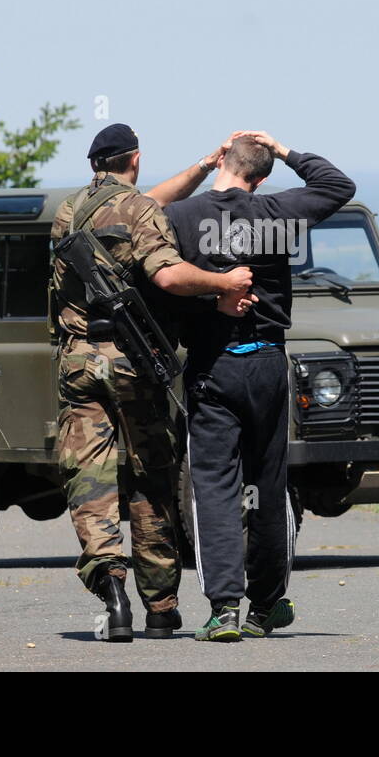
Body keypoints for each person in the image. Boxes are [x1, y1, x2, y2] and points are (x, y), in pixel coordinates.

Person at [50, 123, 254, 642]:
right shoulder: (141, 212)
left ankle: (112, 591)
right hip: (130, 362)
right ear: (135, 161)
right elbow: (167, 275)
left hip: (77, 362)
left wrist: (203, 166)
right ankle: (160, 606)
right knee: (149, 477)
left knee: (89, 481)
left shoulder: (69, 211)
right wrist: (221, 284)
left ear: (95, 164)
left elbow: (142, 203)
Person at [164, 132, 355, 641]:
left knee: (214, 488)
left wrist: (201, 166)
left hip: (213, 366)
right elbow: (338, 184)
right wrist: (287, 149)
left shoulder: (182, 217)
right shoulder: (278, 212)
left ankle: (223, 609)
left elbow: (155, 268)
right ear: (263, 177)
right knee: (269, 485)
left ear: (224, 160)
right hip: (269, 363)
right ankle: (266, 604)